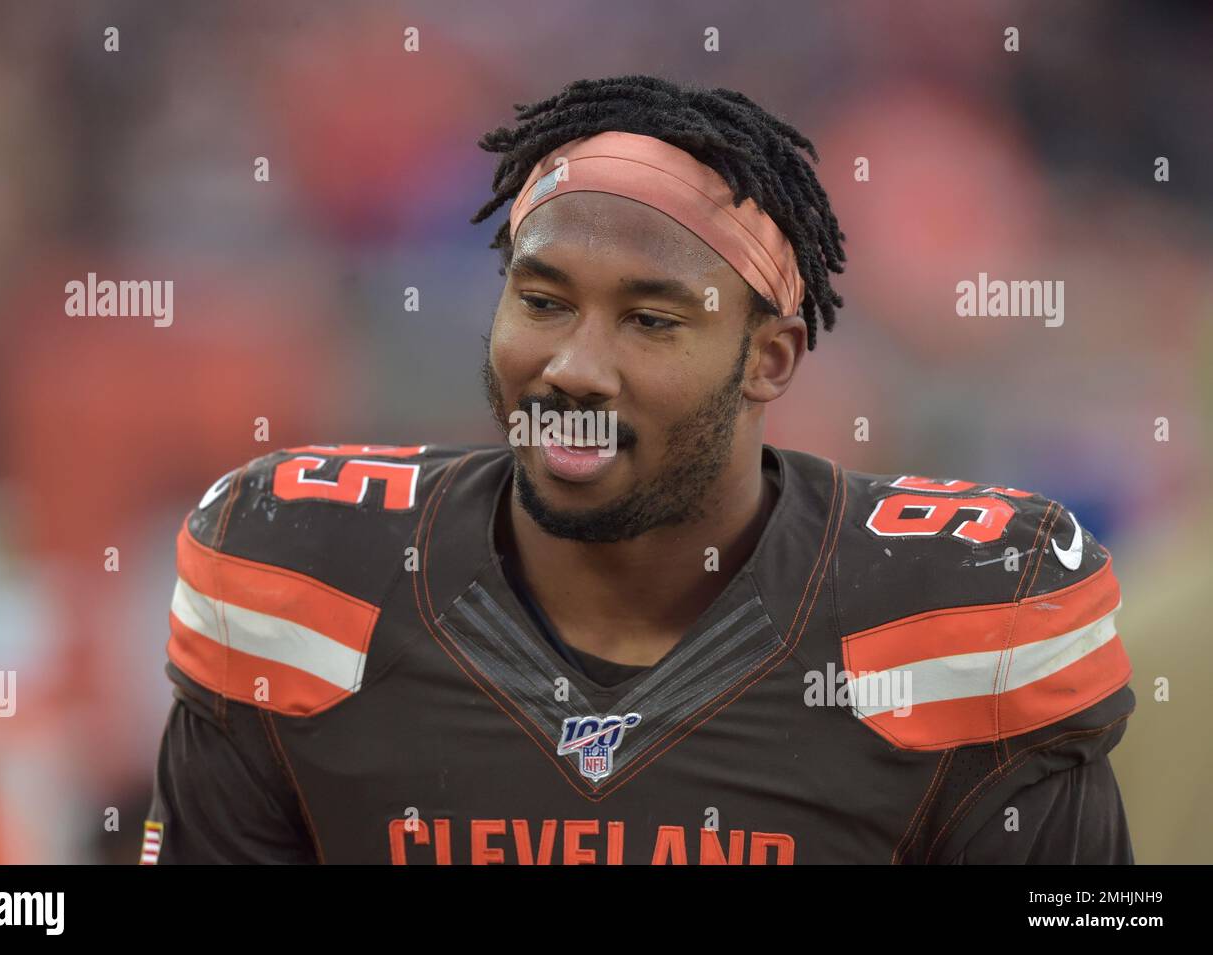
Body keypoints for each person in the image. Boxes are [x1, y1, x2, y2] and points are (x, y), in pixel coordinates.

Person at [144, 75, 1133, 864]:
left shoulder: (964, 618)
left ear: (769, 358)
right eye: (541, 300)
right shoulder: (304, 577)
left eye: (650, 320)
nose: (571, 365)